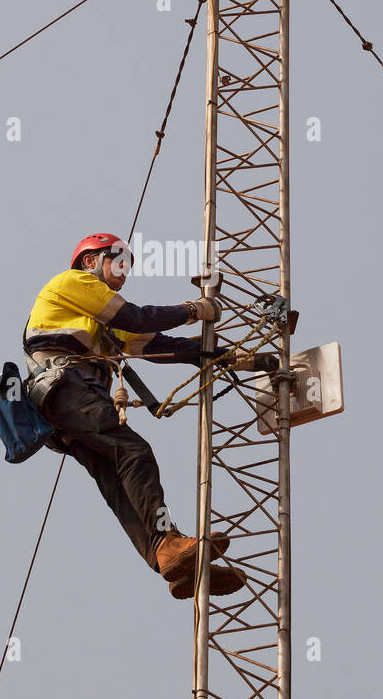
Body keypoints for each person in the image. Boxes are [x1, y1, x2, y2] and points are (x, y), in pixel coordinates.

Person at [23, 233, 247, 600]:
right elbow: (136, 316)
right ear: (91, 261)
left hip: (66, 406)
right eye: (120, 262)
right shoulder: (73, 282)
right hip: (66, 390)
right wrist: (194, 310)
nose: (125, 274)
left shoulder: (96, 317)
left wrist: (221, 353)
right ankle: (169, 544)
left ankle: (169, 561)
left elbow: (156, 345)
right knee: (134, 453)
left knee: (117, 482)